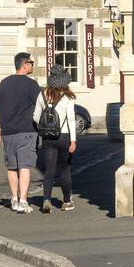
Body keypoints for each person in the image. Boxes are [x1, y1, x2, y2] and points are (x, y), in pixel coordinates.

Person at [0, 52, 41, 213]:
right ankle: (23, 200)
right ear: (25, 64)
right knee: (24, 166)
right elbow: (41, 105)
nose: (33, 65)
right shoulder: (31, 84)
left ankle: (14, 198)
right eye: (31, 62)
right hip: (26, 130)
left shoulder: (4, 83)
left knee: (12, 167)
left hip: (8, 131)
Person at [34, 66, 78, 213]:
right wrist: (73, 141)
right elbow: (71, 119)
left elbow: (35, 117)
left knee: (49, 170)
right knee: (65, 169)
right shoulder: (68, 97)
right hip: (64, 136)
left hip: (48, 138)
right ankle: (66, 201)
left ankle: (46, 200)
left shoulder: (42, 95)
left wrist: (44, 126)